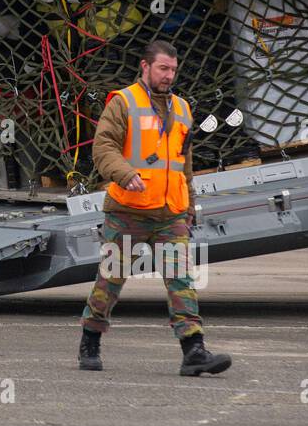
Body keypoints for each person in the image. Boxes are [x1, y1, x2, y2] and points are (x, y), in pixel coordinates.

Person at [79, 39, 232, 376]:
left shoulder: (182, 109)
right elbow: (103, 148)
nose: (169, 76)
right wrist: (124, 173)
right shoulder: (123, 103)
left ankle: (194, 351)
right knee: (111, 280)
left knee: (182, 281)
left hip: (171, 214)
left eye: (173, 70)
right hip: (128, 211)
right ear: (145, 67)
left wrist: (189, 205)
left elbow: (183, 163)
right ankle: (90, 339)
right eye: (163, 68)